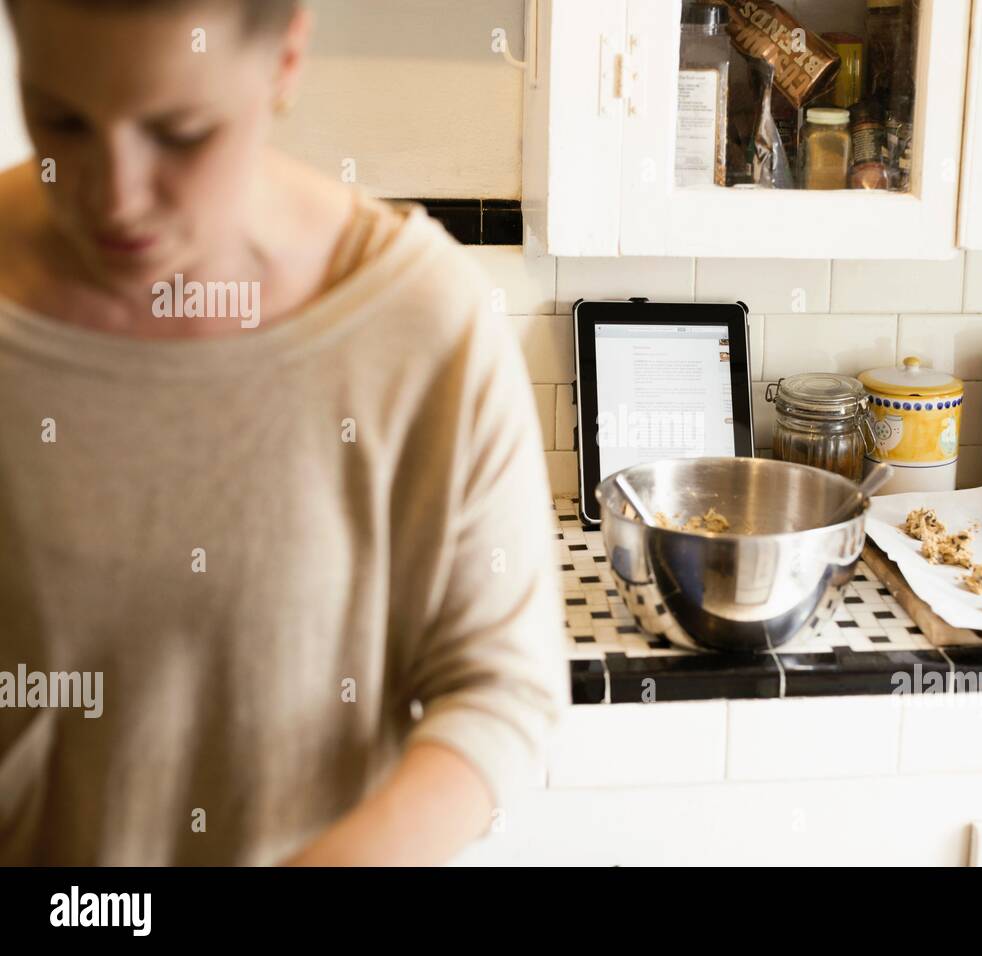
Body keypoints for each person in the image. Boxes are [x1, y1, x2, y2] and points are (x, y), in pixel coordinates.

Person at [0, 0, 568, 865]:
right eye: (61, 121)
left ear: (287, 56)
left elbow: (502, 691)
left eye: (181, 132)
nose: (115, 195)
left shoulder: (419, 323)